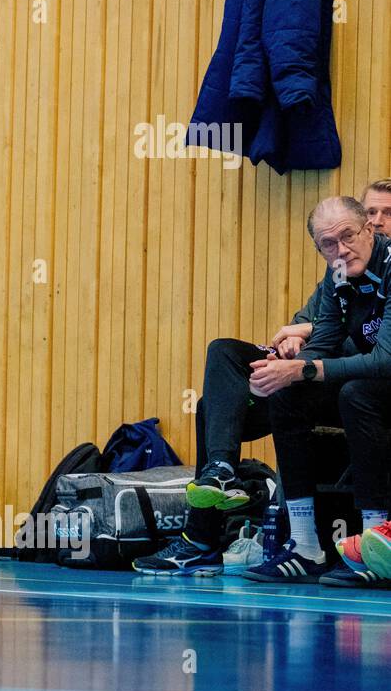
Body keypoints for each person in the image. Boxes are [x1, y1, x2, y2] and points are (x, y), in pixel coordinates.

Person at [135, 183, 391, 584]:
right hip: (348, 380)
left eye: (349, 235)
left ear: (367, 232)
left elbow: (383, 360)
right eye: (329, 244)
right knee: (225, 368)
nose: (340, 249)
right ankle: (286, 532)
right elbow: (323, 337)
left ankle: (374, 548)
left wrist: (302, 366)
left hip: (373, 384)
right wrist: (272, 373)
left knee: (353, 393)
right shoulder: (338, 272)